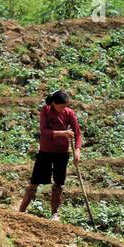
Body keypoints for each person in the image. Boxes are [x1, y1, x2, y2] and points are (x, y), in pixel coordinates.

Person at [19, 90, 81, 221]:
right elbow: (44, 131)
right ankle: (21, 211)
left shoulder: (69, 113)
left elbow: (77, 133)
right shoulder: (45, 111)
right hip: (46, 151)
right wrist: (63, 133)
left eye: (65, 106)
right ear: (54, 103)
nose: (63, 109)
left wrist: (77, 150)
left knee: (58, 184)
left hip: (62, 153)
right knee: (35, 182)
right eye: (61, 106)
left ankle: (54, 213)